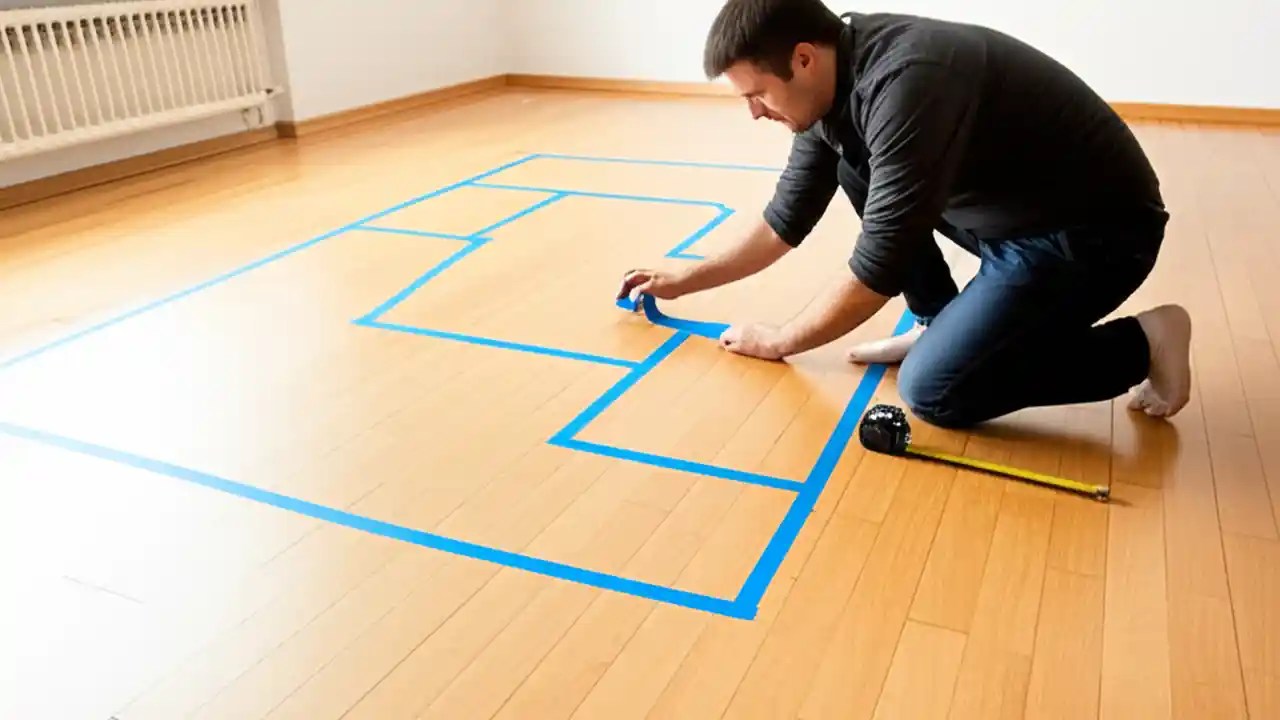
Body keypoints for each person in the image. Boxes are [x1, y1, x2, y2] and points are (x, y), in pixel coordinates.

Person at [616, 0, 1192, 428]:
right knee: (855, 168)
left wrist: (781, 340)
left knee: (938, 390)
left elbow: (879, 266)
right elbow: (783, 221)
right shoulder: (829, 86)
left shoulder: (909, 82)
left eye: (757, 94)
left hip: (1095, 236)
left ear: (803, 58)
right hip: (1012, 218)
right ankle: (935, 320)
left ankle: (1145, 343)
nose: (754, 113)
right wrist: (684, 278)